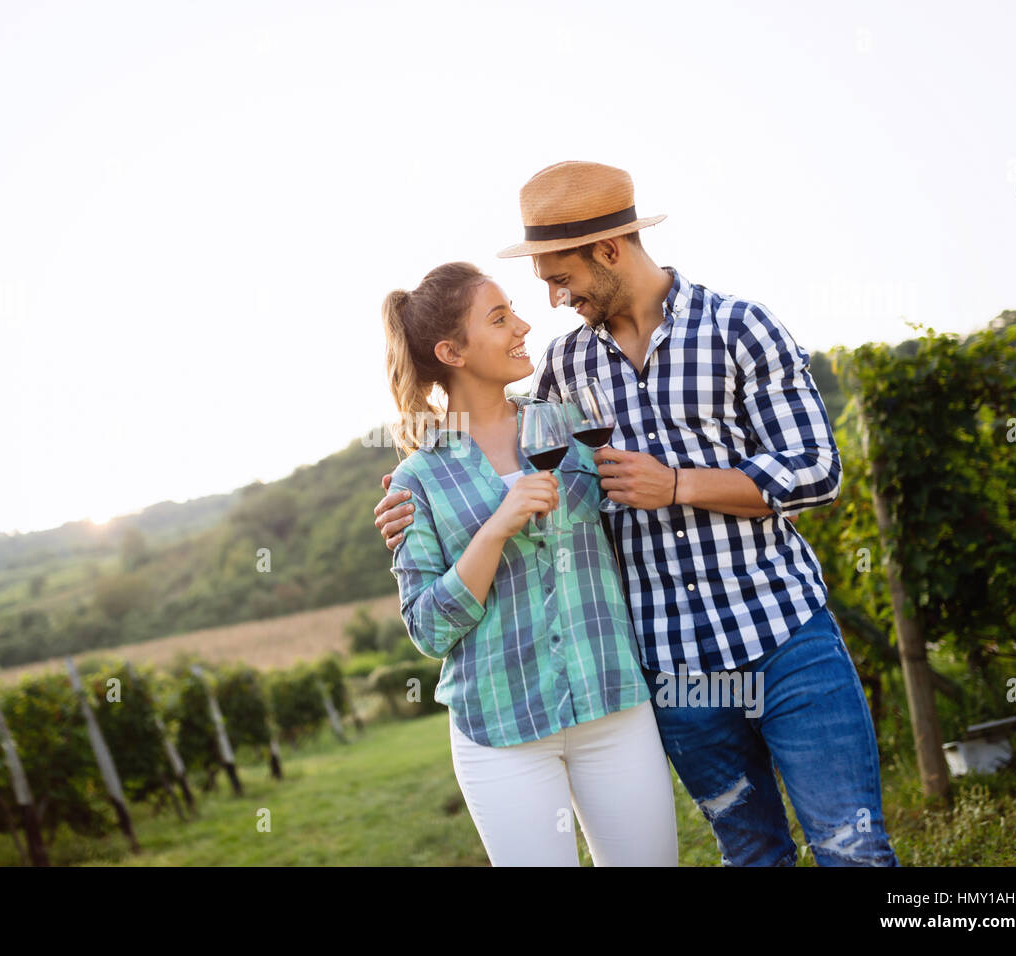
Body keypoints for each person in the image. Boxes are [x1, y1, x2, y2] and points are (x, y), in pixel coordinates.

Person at [375, 161, 900, 867]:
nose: (554, 301)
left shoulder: (739, 328)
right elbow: (493, 437)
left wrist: (679, 484)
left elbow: (815, 469)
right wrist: (421, 490)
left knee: (854, 849)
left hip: (783, 634)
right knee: (752, 855)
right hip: (672, 663)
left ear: (610, 251)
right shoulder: (566, 369)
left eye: (561, 279)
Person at [381, 260, 677, 866]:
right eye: (498, 318)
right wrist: (497, 526)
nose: (522, 325)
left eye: (512, 310)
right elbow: (429, 629)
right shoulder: (418, 478)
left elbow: (635, 516)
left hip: (610, 700)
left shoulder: (572, 426)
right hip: (501, 729)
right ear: (451, 352)